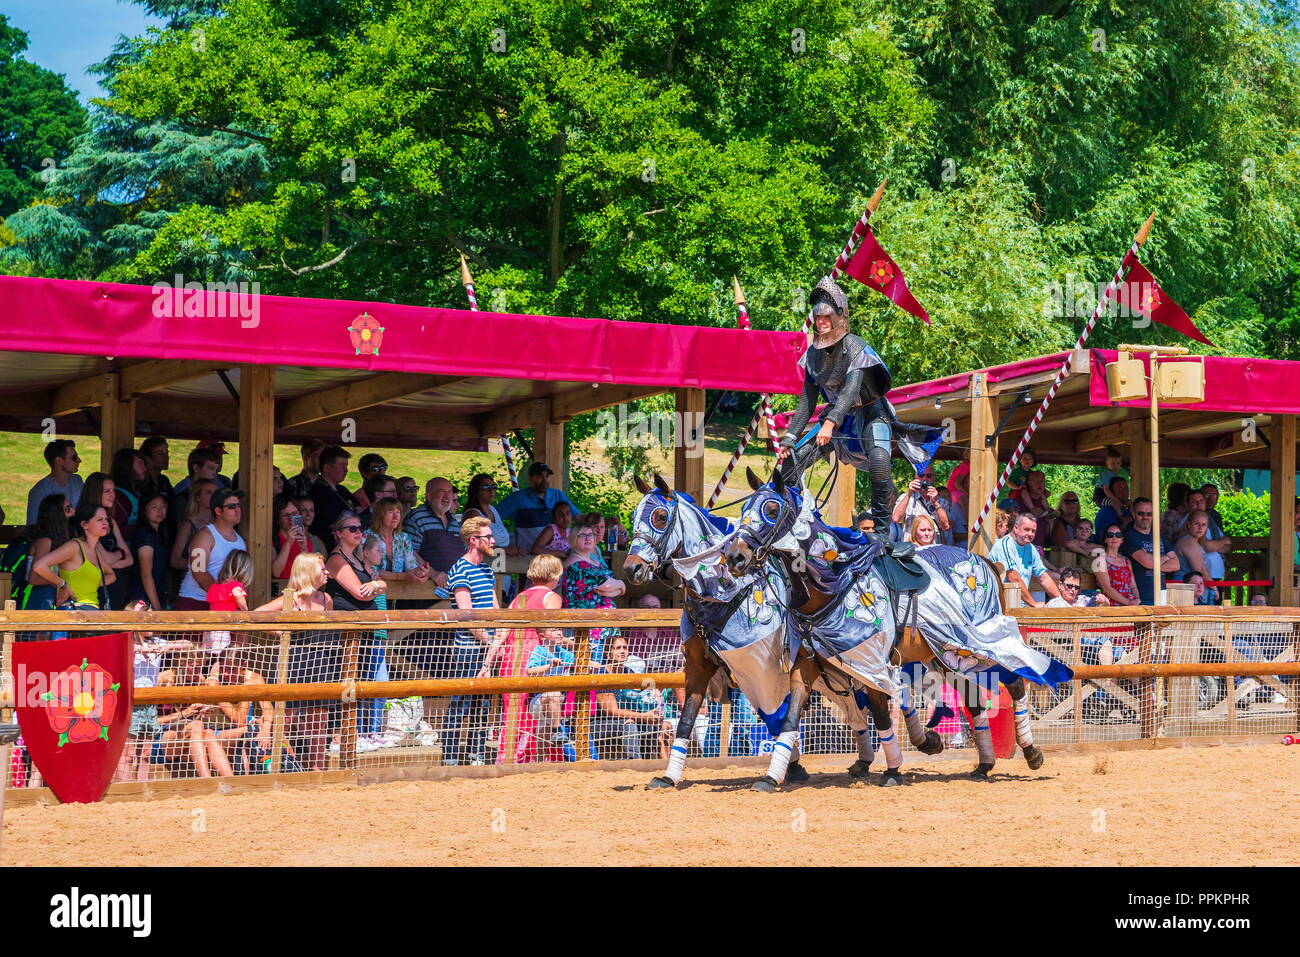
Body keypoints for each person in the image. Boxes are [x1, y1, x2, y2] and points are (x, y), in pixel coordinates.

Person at [775, 275, 940, 528]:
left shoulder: (856, 347)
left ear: (839, 317)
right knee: (792, 462)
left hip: (872, 414)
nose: (821, 323)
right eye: (817, 318)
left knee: (880, 465)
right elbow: (807, 401)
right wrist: (790, 438)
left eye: (826, 317)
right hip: (839, 419)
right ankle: (793, 519)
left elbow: (851, 391)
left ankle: (883, 533)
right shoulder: (812, 355)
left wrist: (830, 424)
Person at [255, 553, 335, 771]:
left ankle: (317, 768)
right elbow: (256, 615)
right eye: (322, 568)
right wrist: (278, 630)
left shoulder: (326, 600)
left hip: (320, 663)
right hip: (293, 664)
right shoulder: (289, 600)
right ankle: (278, 765)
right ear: (309, 572)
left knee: (319, 720)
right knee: (285, 718)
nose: (326, 572)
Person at [486, 553, 566, 764]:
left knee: (513, 716)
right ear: (554, 575)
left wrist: (487, 664)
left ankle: (507, 760)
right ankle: (533, 761)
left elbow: (500, 634)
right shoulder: (552, 598)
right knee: (537, 716)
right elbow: (550, 631)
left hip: (511, 661)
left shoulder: (517, 600)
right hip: (536, 660)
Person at [443, 516, 500, 766]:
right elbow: (466, 614)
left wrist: (499, 637)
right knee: (460, 702)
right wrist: (490, 639)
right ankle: (450, 757)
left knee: (482, 704)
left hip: (487, 647)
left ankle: (476, 753)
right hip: (468, 648)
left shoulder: (487, 569)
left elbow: (495, 609)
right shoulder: (460, 569)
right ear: (474, 540)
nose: (493, 540)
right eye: (488, 537)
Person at [30, 499, 117, 611]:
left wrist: (87, 582)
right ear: (84, 525)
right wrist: (63, 584)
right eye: (100, 519)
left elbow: (112, 576)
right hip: (73, 612)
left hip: (93, 611)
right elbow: (39, 566)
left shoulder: (95, 550)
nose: (105, 522)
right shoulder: (74, 546)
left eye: (106, 519)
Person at [562, 523, 625, 666]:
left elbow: (613, 588)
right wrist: (617, 585)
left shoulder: (595, 561)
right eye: (581, 535)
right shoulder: (576, 565)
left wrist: (619, 585)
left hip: (604, 629)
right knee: (591, 673)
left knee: (605, 675)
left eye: (590, 535)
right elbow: (608, 585)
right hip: (588, 630)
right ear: (573, 539)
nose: (587, 538)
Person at [595, 634, 665, 760]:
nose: (622, 651)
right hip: (600, 722)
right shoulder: (602, 674)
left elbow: (641, 695)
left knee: (659, 724)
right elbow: (612, 711)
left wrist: (654, 711)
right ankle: (636, 762)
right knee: (631, 723)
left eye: (625, 648)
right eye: (617, 648)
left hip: (627, 716)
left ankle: (658, 764)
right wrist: (643, 717)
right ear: (607, 652)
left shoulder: (628, 672)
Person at [176, 488, 247, 611]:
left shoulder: (241, 542)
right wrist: (223, 594)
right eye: (231, 506)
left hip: (223, 605)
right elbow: (199, 573)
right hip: (195, 602)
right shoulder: (204, 535)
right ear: (218, 511)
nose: (237, 510)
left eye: (238, 505)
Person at [79, 472, 134, 608]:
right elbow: (107, 559)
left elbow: (130, 559)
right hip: (97, 591)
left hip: (117, 588)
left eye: (113, 490)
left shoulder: (111, 522)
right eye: (107, 491)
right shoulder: (85, 523)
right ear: (95, 493)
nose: (113, 495)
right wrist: (120, 554)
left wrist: (108, 564)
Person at [359, 534, 393, 752]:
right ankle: (362, 732)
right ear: (366, 553)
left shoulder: (376, 574)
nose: (382, 554)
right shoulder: (361, 575)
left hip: (380, 635)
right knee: (368, 683)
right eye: (378, 550)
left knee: (381, 684)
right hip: (370, 636)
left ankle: (374, 731)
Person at [495, 462, 577, 553]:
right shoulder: (518, 498)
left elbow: (578, 517)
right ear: (530, 479)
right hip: (527, 557)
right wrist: (502, 542)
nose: (544, 480)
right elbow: (492, 518)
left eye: (546, 476)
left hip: (555, 557)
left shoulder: (557, 495)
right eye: (539, 476)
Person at [988, 513, 1061, 607]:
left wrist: (1061, 601)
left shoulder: (1031, 549)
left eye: (1033, 531)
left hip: (1017, 605)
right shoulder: (1004, 545)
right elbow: (1013, 577)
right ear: (1015, 528)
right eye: (1026, 529)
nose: (1030, 534)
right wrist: (1033, 603)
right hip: (999, 607)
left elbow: (1044, 578)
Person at [1121, 497, 1180, 605]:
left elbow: (1176, 565)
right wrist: (1166, 558)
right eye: (1141, 513)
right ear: (1133, 514)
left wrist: (1152, 563)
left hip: (1160, 599)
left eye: (1149, 514)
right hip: (1138, 599)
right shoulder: (1130, 537)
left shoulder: (1159, 536)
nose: (1145, 517)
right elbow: (1149, 562)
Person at [21, 494, 73, 611]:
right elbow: (33, 578)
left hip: (48, 597)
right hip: (36, 597)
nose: (73, 511)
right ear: (56, 514)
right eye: (68, 508)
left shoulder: (60, 538)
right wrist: (62, 584)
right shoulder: (45, 541)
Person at [407, 477, 462, 588]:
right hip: (425, 590)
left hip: (454, 589)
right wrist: (433, 573)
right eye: (442, 492)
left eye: (450, 492)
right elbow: (407, 552)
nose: (447, 497)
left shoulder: (453, 520)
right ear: (429, 495)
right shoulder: (416, 518)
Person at [203, 549, 253, 656]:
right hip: (221, 629)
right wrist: (245, 610)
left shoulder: (216, 584)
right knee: (220, 658)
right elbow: (237, 594)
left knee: (210, 656)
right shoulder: (234, 585)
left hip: (210, 627)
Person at [369, 497, 429, 584]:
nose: (396, 516)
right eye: (390, 512)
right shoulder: (366, 537)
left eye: (398, 512)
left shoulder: (404, 538)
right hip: (373, 591)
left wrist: (421, 572)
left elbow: (411, 567)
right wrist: (403, 576)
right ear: (379, 515)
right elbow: (368, 569)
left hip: (398, 593)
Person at [128, 491, 172, 610]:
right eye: (154, 507)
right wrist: (157, 608)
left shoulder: (159, 534)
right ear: (144, 509)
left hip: (156, 594)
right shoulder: (145, 537)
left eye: (163, 506)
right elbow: (146, 576)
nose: (160, 510)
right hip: (144, 601)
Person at [169, 476, 217, 581]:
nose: (214, 496)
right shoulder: (188, 525)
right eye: (208, 492)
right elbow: (175, 560)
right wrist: (201, 569)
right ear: (197, 497)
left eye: (215, 492)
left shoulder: (220, 522)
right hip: (193, 582)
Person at [26, 439, 84, 525]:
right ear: (59, 461)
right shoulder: (39, 492)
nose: (79, 460)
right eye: (74, 458)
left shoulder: (77, 481)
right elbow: (33, 526)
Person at [310, 446, 359, 547]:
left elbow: (359, 509)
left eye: (346, 465)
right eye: (341, 465)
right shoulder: (319, 493)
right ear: (327, 468)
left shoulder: (342, 490)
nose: (346, 470)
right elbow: (334, 524)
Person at [891, 465, 950, 544]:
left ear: (933, 478)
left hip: (933, 550)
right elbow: (896, 519)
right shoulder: (906, 498)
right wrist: (909, 494)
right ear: (915, 478)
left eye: (929, 476)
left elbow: (946, 526)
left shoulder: (941, 502)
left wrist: (935, 502)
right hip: (911, 550)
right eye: (921, 475)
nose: (925, 479)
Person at [171, 443, 226, 520]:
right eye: (210, 468)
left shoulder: (217, 496)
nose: (215, 473)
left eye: (216, 469)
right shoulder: (181, 500)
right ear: (196, 468)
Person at [461, 473, 513, 550]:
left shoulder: (492, 509)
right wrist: (505, 550)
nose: (491, 490)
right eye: (485, 487)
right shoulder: (473, 514)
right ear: (476, 491)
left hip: (501, 559)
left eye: (493, 486)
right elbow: (476, 545)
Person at [1096, 524, 1141, 607]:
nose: (1114, 538)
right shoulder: (1100, 560)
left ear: (1122, 539)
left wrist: (1137, 599)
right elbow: (1107, 589)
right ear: (1105, 539)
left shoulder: (1126, 561)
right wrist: (1128, 603)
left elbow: (1133, 586)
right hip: (1111, 605)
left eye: (1118, 535)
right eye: (1110, 535)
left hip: (1130, 604)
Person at [1176, 510, 1226, 584]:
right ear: (1189, 524)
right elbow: (1200, 570)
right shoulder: (1188, 541)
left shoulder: (1194, 541)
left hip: (1192, 587)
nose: (1200, 528)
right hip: (1186, 589)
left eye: (1204, 524)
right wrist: (1214, 588)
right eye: (1197, 524)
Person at [110, 447, 150, 537]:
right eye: (140, 463)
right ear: (127, 466)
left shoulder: (137, 492)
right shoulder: (119, 496)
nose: (145, 468)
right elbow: (120, 530)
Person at [270, 495, 311, 582]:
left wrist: (304, 548)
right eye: (286, 515)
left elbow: (311, 572)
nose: (291, 518)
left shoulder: (304, 539)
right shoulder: (273, 540)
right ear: (278, 519)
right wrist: (288, 543)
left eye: (294, 514)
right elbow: (276, 572)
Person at [1010, 470, 1054, 545]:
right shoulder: (1017, 501)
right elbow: (1010, 528)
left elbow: (1047, 535)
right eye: (1035, 481)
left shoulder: (1044, 504)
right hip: (1019, 549)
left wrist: (1051, 522)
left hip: (1039, 550)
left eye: (1042, 481)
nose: (1039, 484)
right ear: (1028, 483)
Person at [139, 436, 173, 502]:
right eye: (160, 454)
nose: (166, 457)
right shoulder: (141, 482)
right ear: (148, 458)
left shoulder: (164, 481)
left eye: (167, 453)